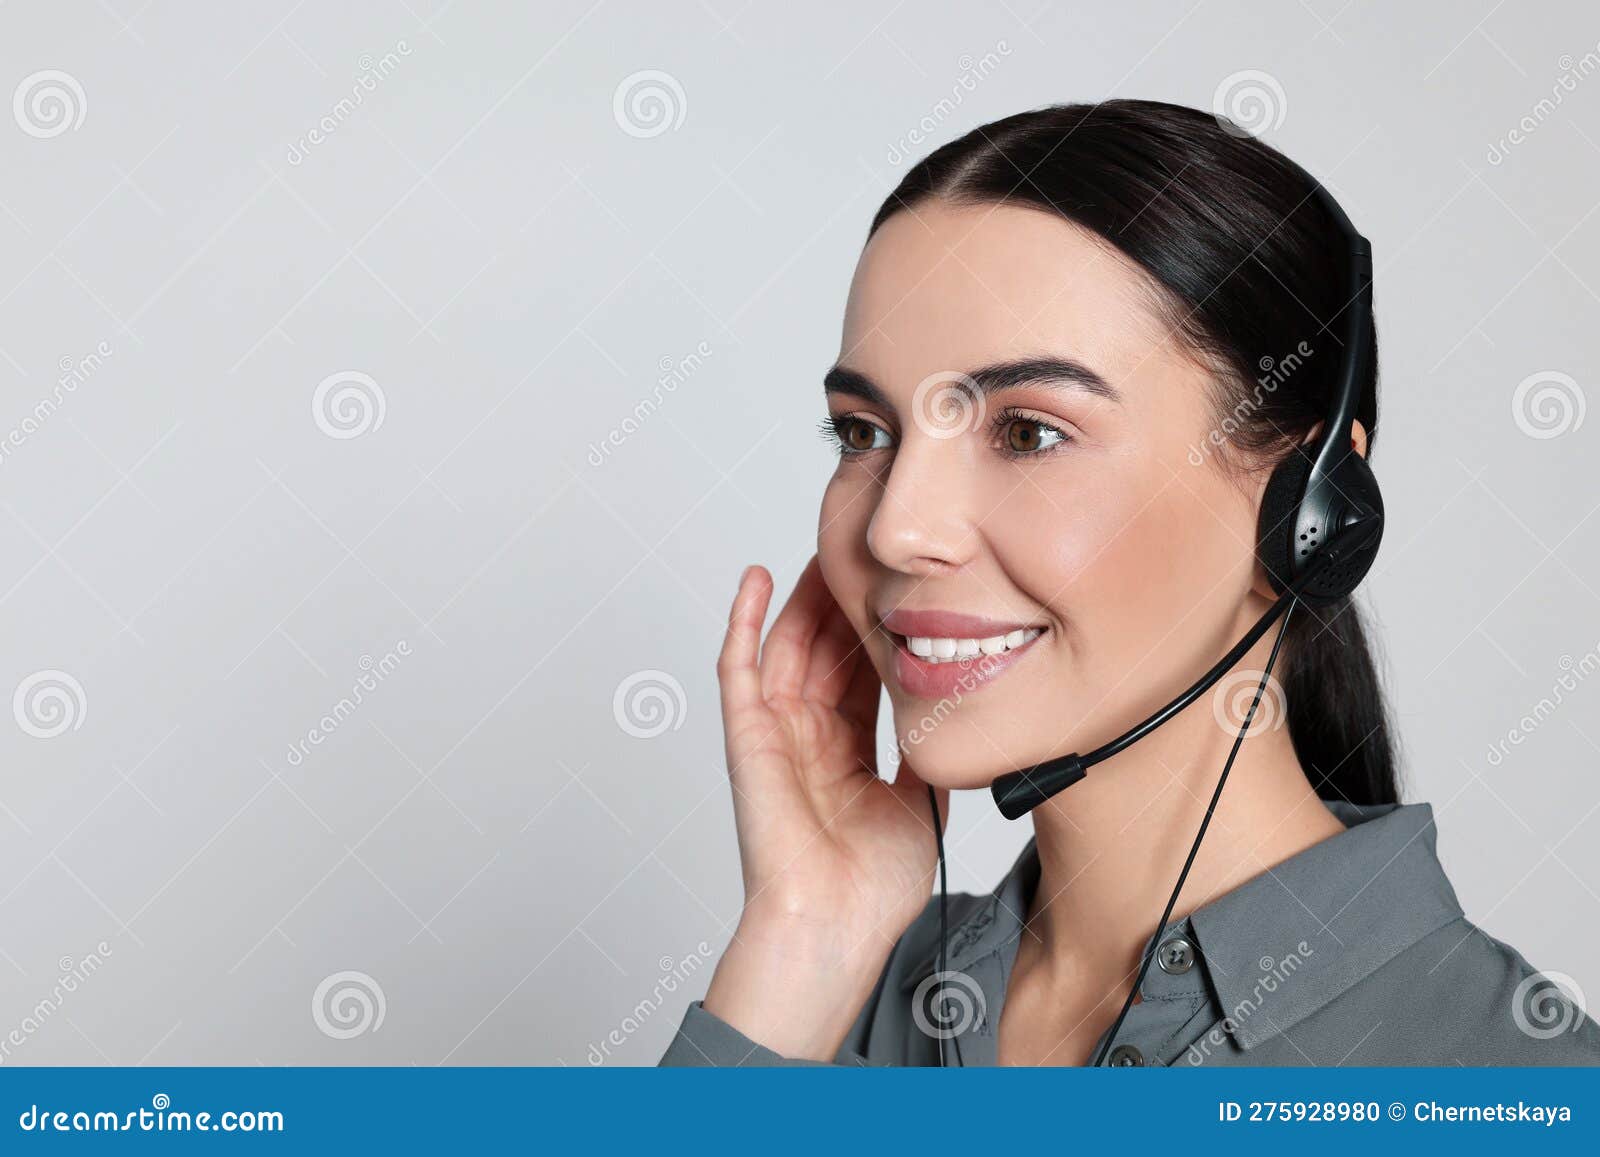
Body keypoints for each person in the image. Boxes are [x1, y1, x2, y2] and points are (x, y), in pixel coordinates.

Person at [658, 99, 1600, 1067]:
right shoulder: (825, 1012)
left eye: (1027, 432)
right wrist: (807, 934)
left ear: (1311, 507)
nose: (897, 526)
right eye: (865, 432)